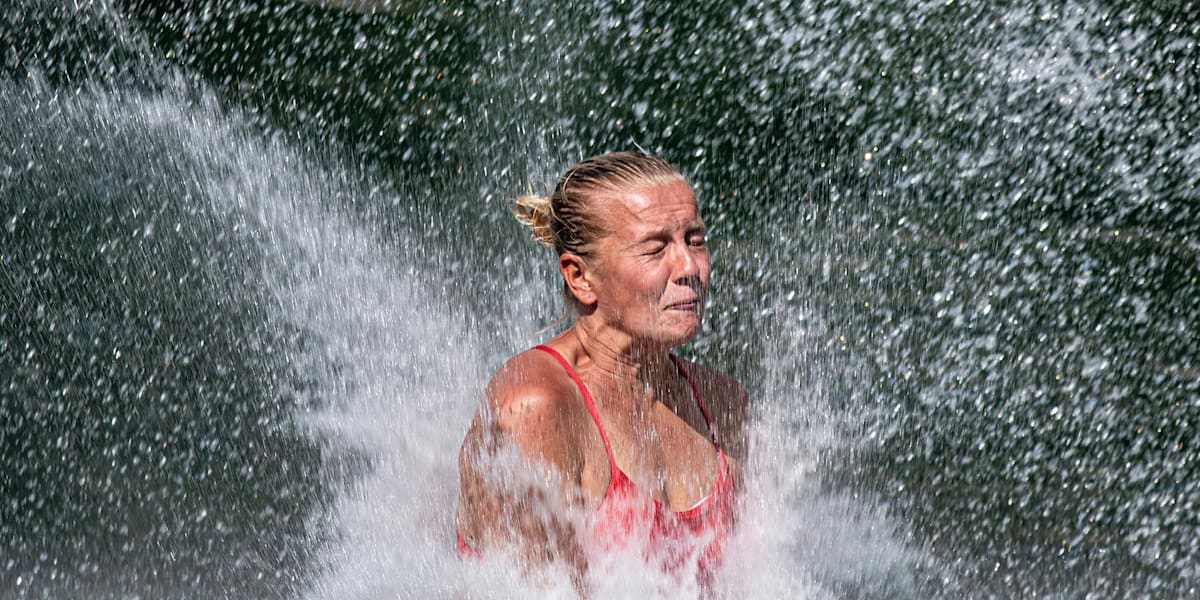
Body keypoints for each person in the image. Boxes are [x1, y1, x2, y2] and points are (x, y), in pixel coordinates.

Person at [455, 151, 749, 592]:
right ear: (580, 277)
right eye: (655, 249)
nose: (690, 267)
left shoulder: (723, 403)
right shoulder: (535, 409)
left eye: (695, 240)